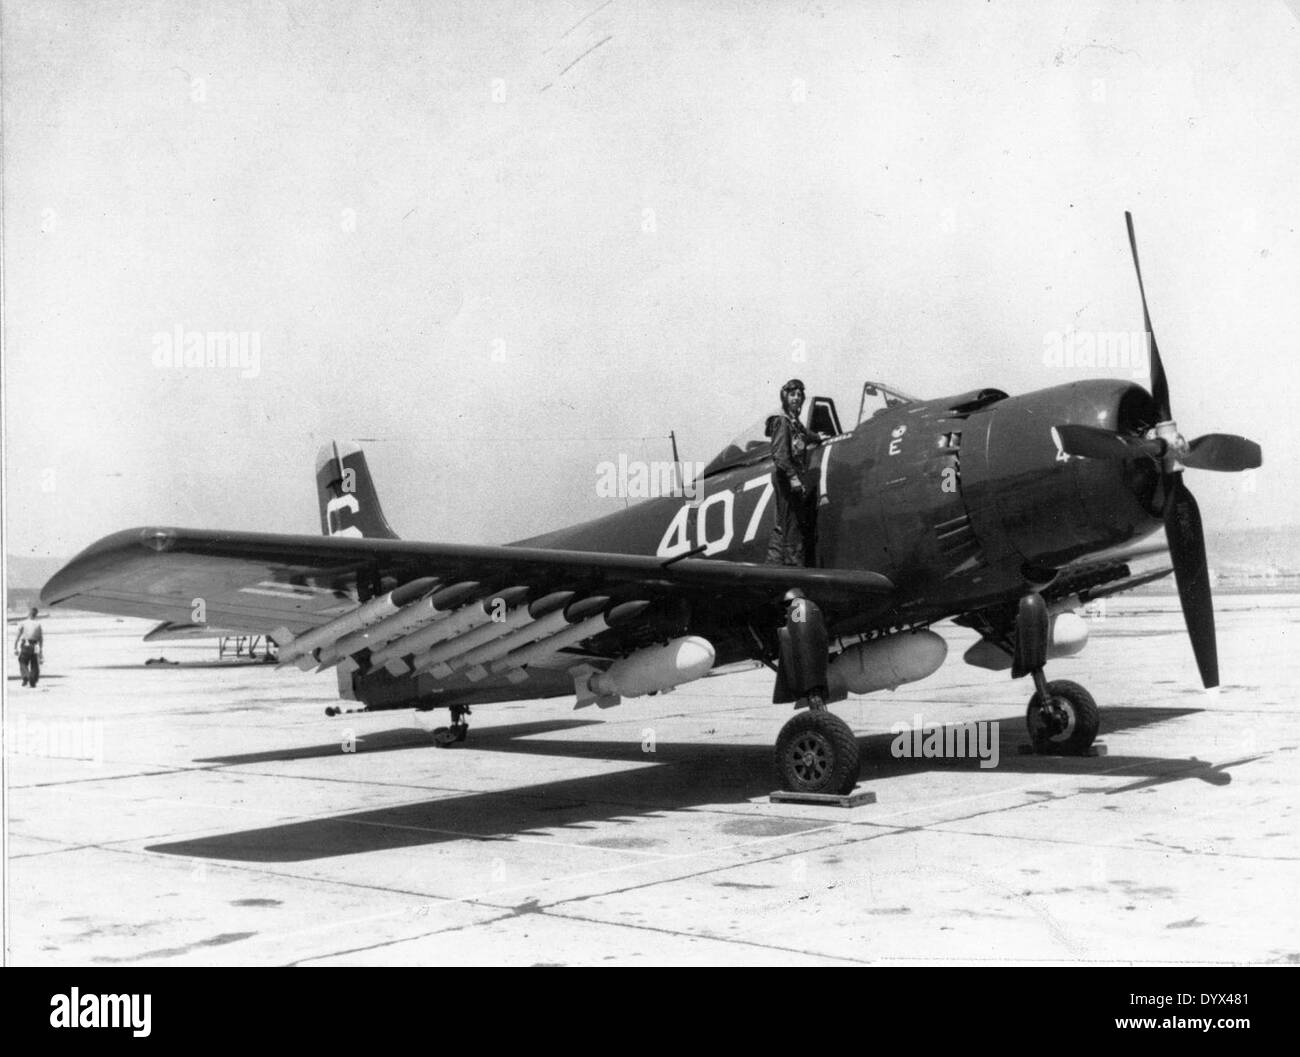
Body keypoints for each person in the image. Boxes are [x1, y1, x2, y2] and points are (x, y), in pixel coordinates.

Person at [766, 378, 822, 567]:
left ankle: (773, 569)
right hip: (786, 477)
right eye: (792, 395)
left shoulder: (793, 420)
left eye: (799, 395)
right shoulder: (782, 420)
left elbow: (805, 433)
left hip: (789, 477)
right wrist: (793, 478)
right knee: (793, 527)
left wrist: (818, 437)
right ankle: (794, 570)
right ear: (785, 396)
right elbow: (780, 456)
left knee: (782, 527)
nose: (796, 398)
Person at [15, 606, 44, 688]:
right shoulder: (38, 624)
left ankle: (26, 677)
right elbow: (40, 639)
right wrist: (41, 651)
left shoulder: (23, 623)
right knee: (35, 664)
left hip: (26, 645)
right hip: (35, 645)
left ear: (29, 614)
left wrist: (15, 647)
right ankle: (33, 680)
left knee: (22, 662)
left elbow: (17, 636)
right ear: (36, 615)